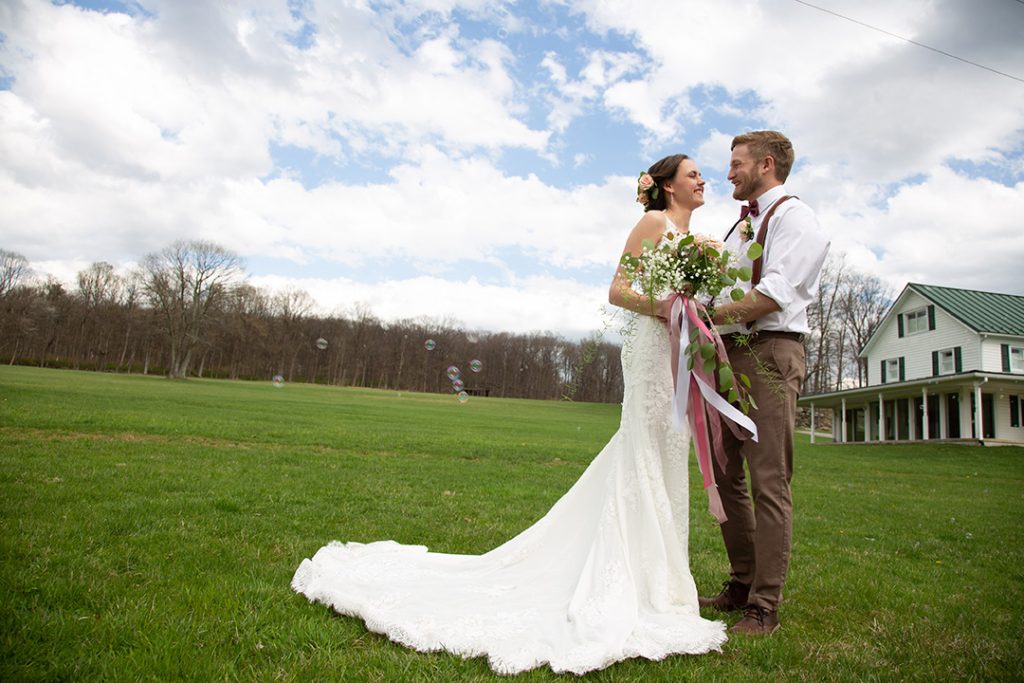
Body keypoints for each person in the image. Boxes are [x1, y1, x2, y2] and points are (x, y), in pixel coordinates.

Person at [291, 154, 727, 676]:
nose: (702, 179)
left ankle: (662, 578)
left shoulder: (697, 240)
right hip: (651, 349)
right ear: (667, 186)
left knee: (668, 449)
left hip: (677, 352)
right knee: (644, 449)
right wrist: (664, 305)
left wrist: (693, 307)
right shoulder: (654, 223)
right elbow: (617, 289)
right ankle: (635, 579)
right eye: (692, 173)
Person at [699, 131, 830, 635]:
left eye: (736, 163)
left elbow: (773, 294)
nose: (728, 173)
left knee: (768, 480)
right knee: (723, 472)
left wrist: (708, 316)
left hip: (769, 352)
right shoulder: (739, 228)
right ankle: (742, 582)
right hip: (726, 354)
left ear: (766, 164)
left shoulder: (795, 218)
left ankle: (765, 605)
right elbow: (722, 289)